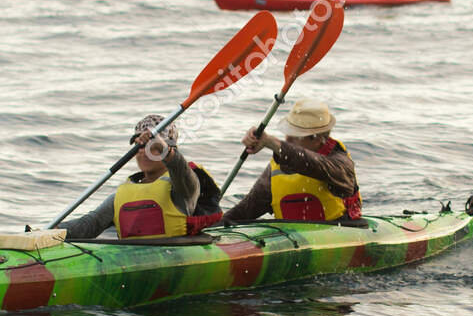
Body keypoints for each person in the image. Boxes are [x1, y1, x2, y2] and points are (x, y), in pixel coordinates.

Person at [63, 115, 223, 240]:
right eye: (139, 146)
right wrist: (50, 232)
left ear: (169, 149)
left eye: (152, 148)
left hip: (177, 257)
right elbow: (89, 225)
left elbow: (179, 167)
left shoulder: (185, 186)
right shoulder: (121, 195)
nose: (143, 151)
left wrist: (162, 146)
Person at [222, 98, 362, 225]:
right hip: (290, 240)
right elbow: (245, 211)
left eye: (296, 136)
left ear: (318, 139)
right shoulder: (277, 168)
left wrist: (272, 142)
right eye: (288, 133)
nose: (288, 140)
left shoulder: (339, 164)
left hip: (339, 233)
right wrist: (213, 225)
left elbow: (314, 164)